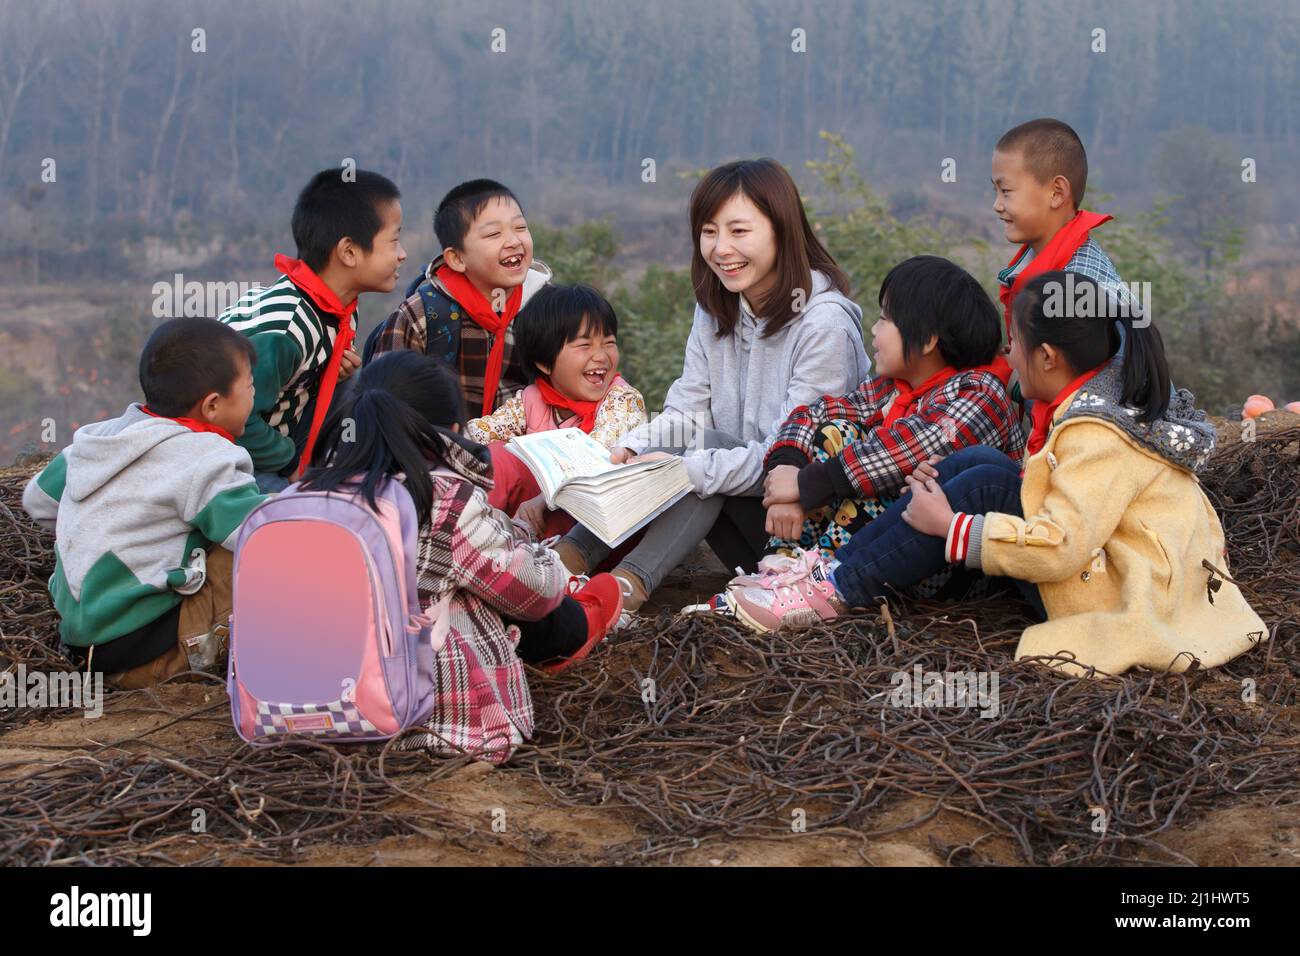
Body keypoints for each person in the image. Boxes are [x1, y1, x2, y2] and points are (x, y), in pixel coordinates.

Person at [724, 273, 1268, 678]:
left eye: (1016, 343)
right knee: (977, 468)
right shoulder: (1096, 409)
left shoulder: (1095, 434)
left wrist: (951, 528)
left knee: (977, 481)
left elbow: (1060, 548)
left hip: (1123, 597)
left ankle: (835, 588)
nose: (1007, 353)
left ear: (1048, 357)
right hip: (1116, 571)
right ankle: (826, 576)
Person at [551, 158, 871, 620]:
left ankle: (627, 588)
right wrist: (631, 451)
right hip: (742, 511)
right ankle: (566, 559)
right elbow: (687, 408)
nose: (721, 249)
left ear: (782, 230)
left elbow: (793, 462)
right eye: (709, 232)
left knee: (709, 452)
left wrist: (686, 472)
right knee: (694, 449)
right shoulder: (718, 307)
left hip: (809, 532)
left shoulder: (824, 325)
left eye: (739, 231)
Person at [298, 350, 624, 709]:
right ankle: (580, 623)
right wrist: (537, 554)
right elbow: (534, 592)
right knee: (499, 582)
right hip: (417, 706)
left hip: (306, 700)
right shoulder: (440, 499)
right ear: (453, 431)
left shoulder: (304, 495)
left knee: (456, 573)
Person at [22, 318, 267, 687]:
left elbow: (36, 501)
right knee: (245, 549)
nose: (254, 394)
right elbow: (263, 535)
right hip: (154, 656)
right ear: (213, 405)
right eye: (249, 386)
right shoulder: (206, 457)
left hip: (85, 650)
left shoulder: (95, 442)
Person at [757, 255, 1024, 562]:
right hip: (888, 543)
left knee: (883, 484)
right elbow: (813, 414)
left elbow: (905, 453)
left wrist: (804, 486)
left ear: (927, 340)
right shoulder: (894, 387)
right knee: (836, 431)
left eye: (885, 319)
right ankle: (781, 564)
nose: (873, 329)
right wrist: (787, 471)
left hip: (950, 561)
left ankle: (824, 577)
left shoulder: (980, 393)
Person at [221, 168, 406, 492]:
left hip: (280, 437)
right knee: (294, 517)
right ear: (349, 252)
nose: (402, 254)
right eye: (393, 241)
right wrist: (291, 464)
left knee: (358, 381)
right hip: (232, 456)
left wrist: (334, 374)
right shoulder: (285, 331)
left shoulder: (338, 306)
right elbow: (236, 421)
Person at [465, 284, 647, 540]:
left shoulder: (622, 400)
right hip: (535, 521)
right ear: (544, 361)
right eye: (584, 346)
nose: (601, 356)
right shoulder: (532, 399)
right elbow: (479, 434)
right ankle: (470, 533)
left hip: (597, 526)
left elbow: (596, 461)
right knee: (497, 457)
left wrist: (542, 500)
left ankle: (486, 542)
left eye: (609, 343)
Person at [366, 178, 552, 417]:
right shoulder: (421, 314)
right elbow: (382, 407)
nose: (514, 241)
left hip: (523, 449)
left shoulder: (543, 306)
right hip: (436, 449)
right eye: (494, 234)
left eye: (520, 228)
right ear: (456, 258)